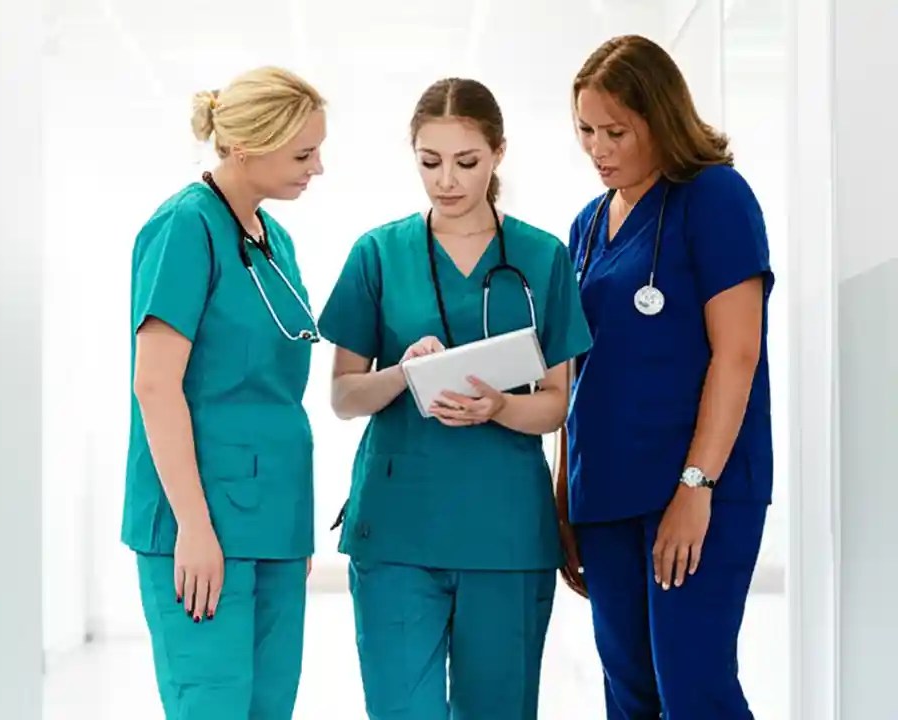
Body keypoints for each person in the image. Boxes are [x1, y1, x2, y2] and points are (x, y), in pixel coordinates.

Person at [318, 77, 593, 720]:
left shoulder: (542, 257)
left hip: (505, 533)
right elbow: (342, 395)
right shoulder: (378, 254)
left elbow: (557, 403)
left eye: (466, 162)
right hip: (397, 531)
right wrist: (407, 376)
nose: (447, 180)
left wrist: (499, 407)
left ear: (499, 153)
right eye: (429, 162)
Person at [558, 34, 775, 720]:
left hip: (695, 488)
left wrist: (695, 486)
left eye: (616, 131)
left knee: (694, 688)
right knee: (630, 693)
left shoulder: (713, 198)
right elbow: (575, 371)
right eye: (587, 131)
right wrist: (566, 494)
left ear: (661, 118)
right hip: (606, 493)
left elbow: (736, 354)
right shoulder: (588, 226)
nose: (598, 148)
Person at [121, 66, 326, 720]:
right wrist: (195, 527)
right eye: (303, 153)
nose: (318, 167)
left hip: (274, 521)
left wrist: (293, 532)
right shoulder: (185, 227)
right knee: (212, 705)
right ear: (245, 148)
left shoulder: (276, 242)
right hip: (203, 524)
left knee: (270, 707)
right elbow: (155, 385)